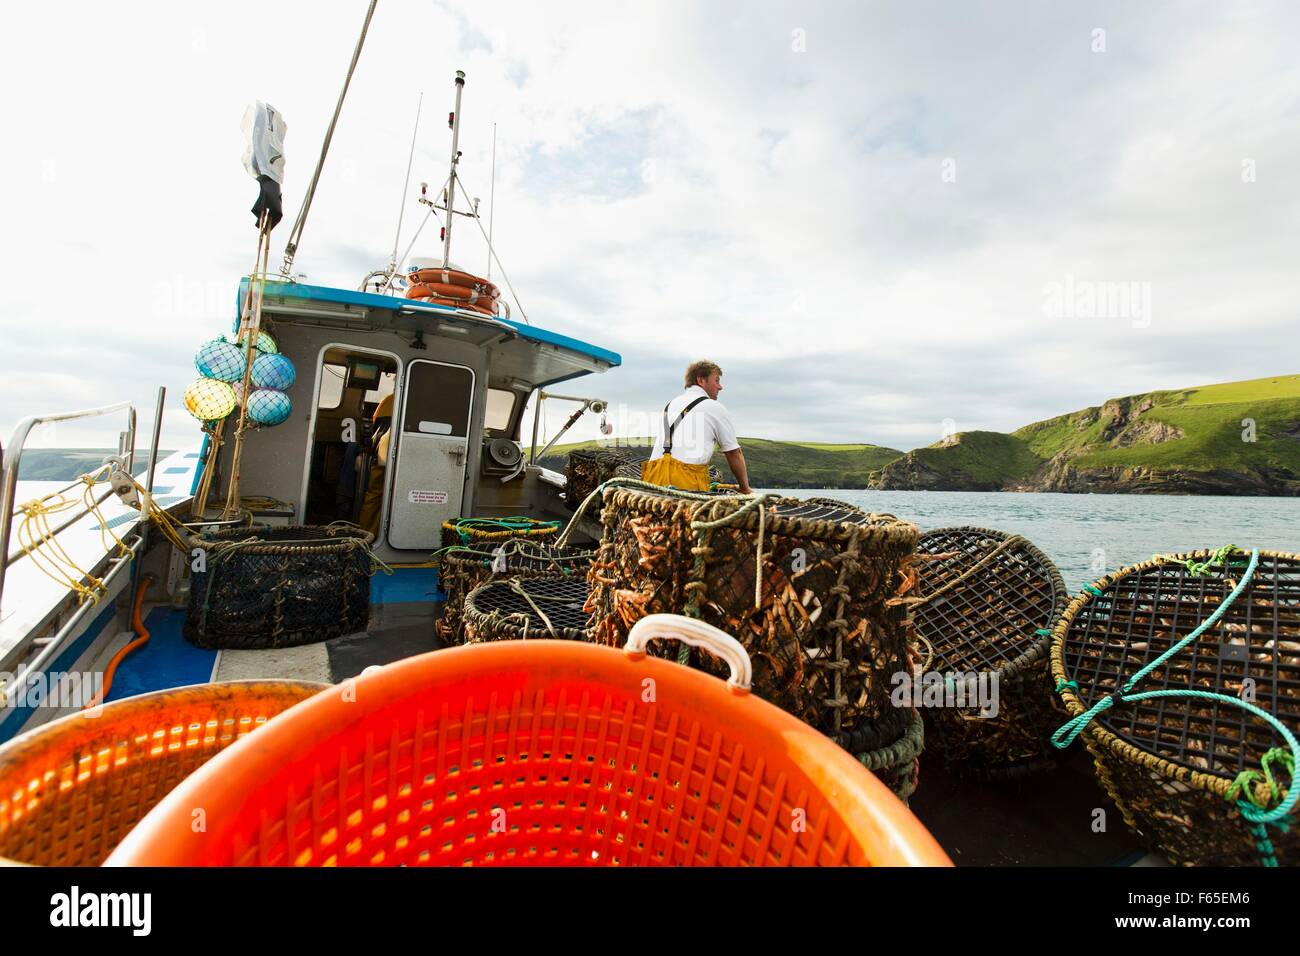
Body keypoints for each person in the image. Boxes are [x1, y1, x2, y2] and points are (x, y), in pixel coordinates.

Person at [642, 360, 752, 494]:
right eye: (716, 381)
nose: (720, 387)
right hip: (686, 483)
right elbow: (733, 453)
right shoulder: (714, 408)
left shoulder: (670, 405)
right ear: (701, 380)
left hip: (653, 480)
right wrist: (745, 488)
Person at [357, 394, 394, 534]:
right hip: (389, 453)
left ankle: (366, 535)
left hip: (378, 452)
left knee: (373, 497)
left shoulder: (388, 400)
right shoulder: (411, 399)